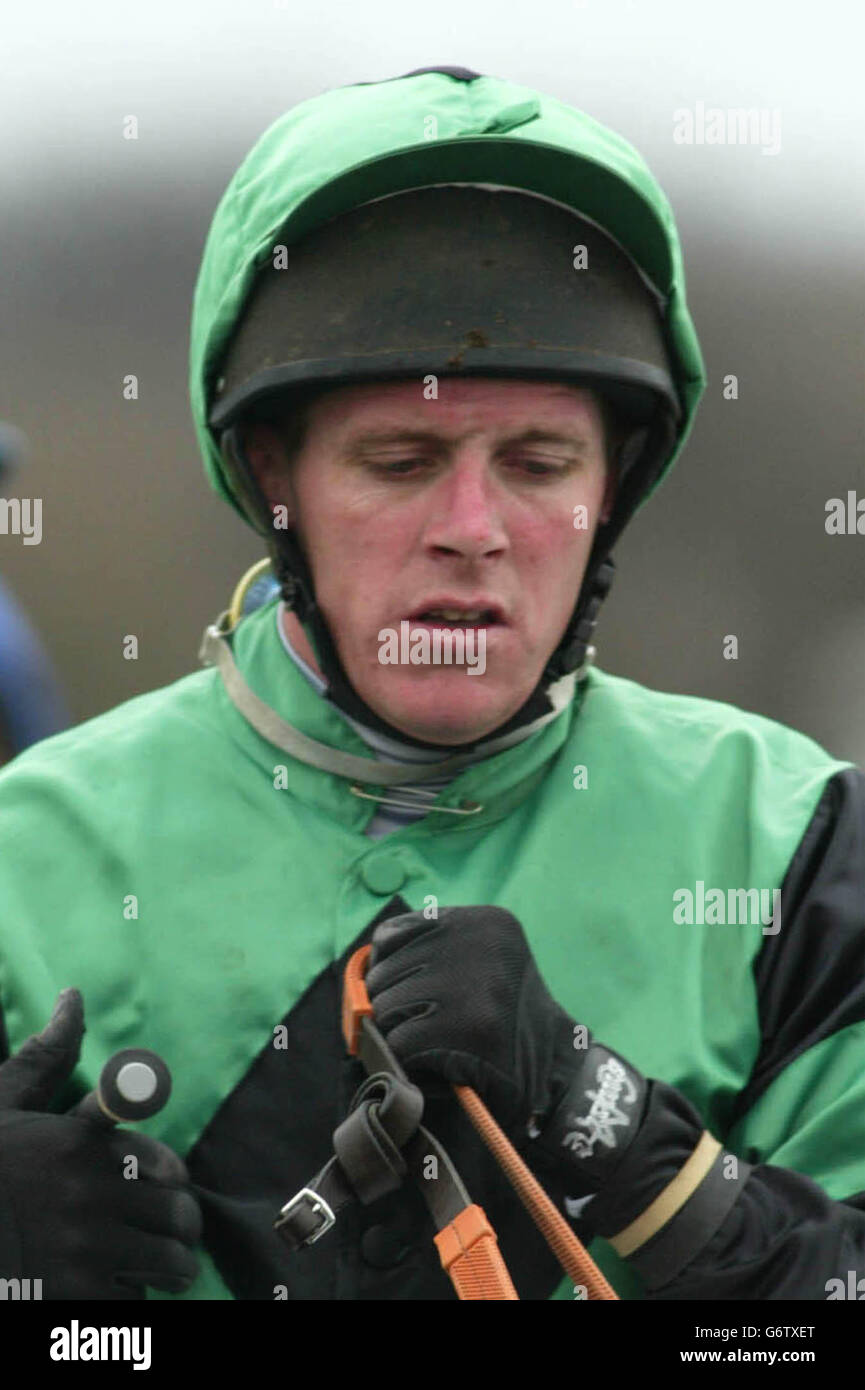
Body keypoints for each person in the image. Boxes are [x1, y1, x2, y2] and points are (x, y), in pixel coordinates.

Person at [0, 67, 862, 1302]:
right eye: (400, 461)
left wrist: (609, 1124)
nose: (472, 526)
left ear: (609, 489)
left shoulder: (798, 846)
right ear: (270, 477)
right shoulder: (24, 847)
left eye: (536, 461)